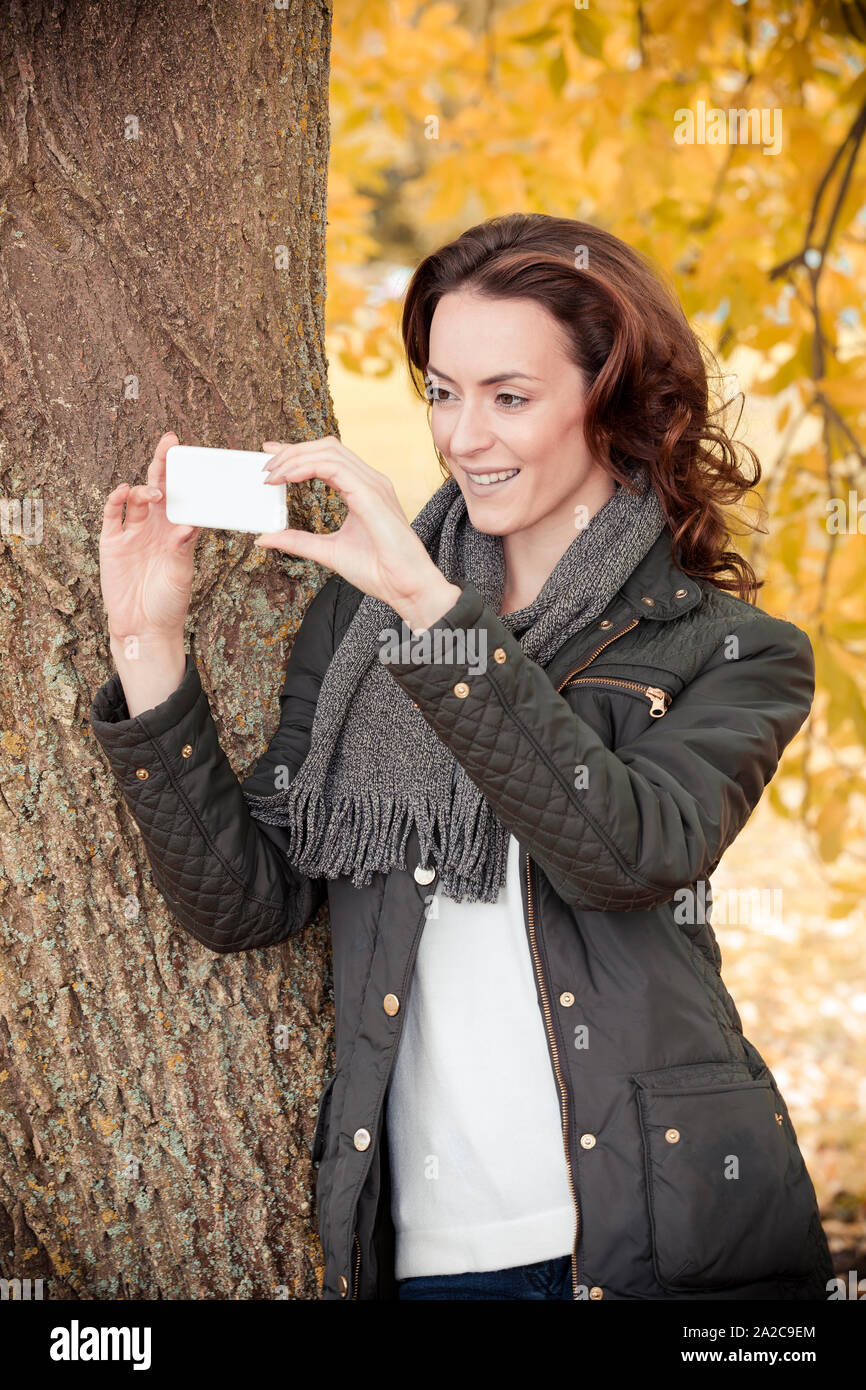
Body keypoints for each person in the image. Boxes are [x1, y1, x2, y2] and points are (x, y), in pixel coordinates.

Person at [90, 212, 833, 1301]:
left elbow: (622, 856)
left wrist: (429, 611)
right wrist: (147, 644)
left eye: (509, 397)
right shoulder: (359, 629)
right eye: (442, 392)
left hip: (663, 1237)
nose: (463, 436)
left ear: (613, 400)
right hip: (436, 1253)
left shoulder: (730, 650)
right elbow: (250, 903)